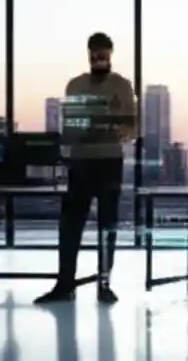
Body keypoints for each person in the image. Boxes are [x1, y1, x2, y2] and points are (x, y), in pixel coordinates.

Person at [36, 32, 136, 305]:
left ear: (111, 54)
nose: (99, 59)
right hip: (81, 161)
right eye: (95, 55)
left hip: (109, 161)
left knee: (107, 224)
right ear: (88, 54)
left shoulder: (123, 86)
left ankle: (104, 284)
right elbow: (69, 124)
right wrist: (80, 132)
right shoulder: (75, 85)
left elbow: (132, 126)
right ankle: (65, 283)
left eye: (103, 55)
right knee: (70, 224)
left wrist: (119, 130)